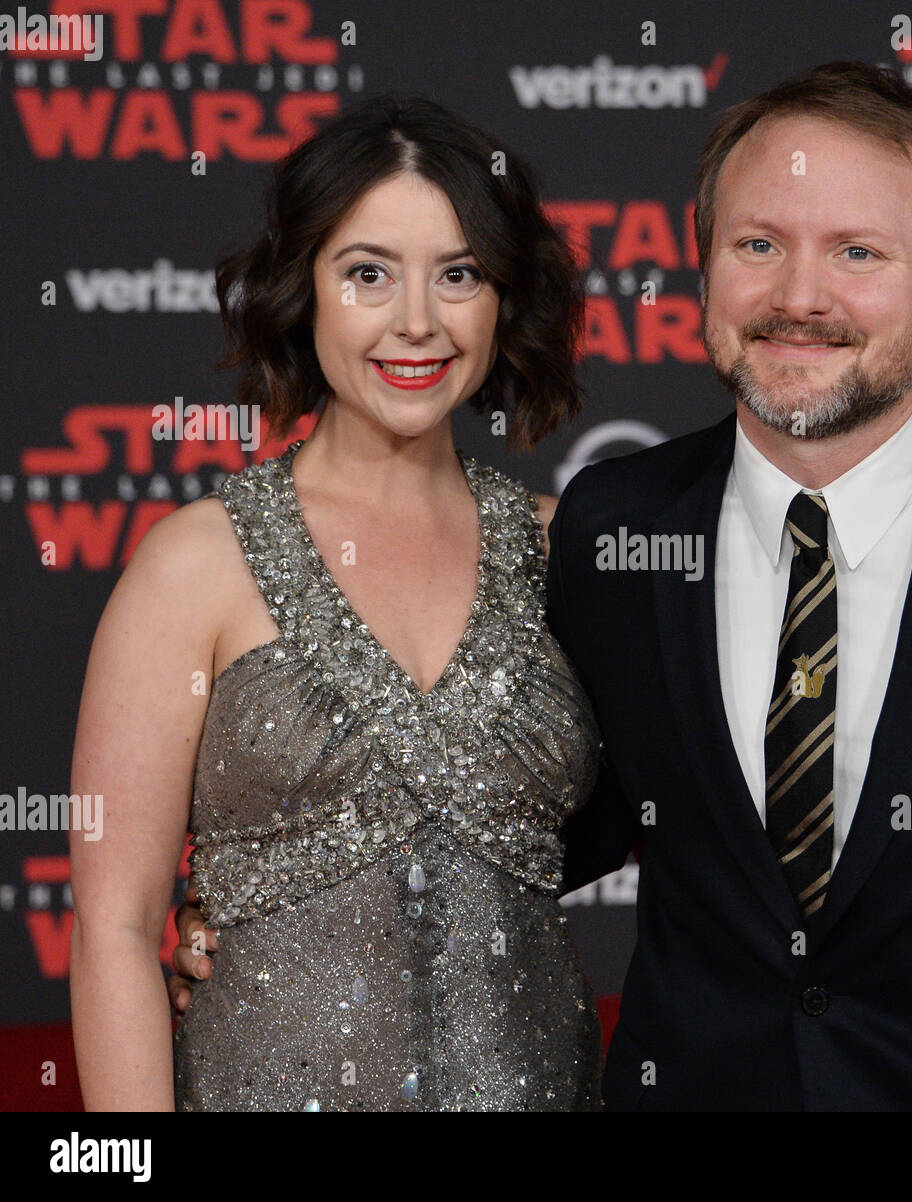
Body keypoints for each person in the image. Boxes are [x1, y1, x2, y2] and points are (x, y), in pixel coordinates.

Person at [174, 62, 912, 1111]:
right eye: (759, 244)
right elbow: (534, 815)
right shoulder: (616, 525)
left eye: (859, 252)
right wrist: (285, 912)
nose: (798, 295)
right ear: (702, 266)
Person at [69, 94, 605, 1111]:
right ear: (301, 290)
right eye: (367, 273)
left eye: (459, 274)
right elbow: (115, 928)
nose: (416, 321)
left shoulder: (565, 548)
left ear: (506, 299)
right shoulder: (195, 561)